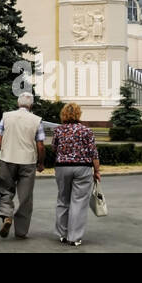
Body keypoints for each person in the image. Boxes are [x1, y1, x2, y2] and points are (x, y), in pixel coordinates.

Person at [0, 92, 47, 239]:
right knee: (25, 197)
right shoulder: (36, 120)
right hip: (28, 162)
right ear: (31, 105)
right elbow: (40, 145)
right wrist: (41, 163)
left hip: (7, 159)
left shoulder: (6, 117)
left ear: (18, 103)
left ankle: (7, 216)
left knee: (6, 190)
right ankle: (21, 231)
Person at [52, 102, 101, 246]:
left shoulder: (58, 130)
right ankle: (74, 237)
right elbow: (94, 153)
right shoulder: (86, 131)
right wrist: (97, 171)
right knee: (78, 202)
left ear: (64, 114)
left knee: (63, 200)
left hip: (62, 167)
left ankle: (62, 234)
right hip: (82, 168)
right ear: (79, 114)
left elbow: (54, 148)